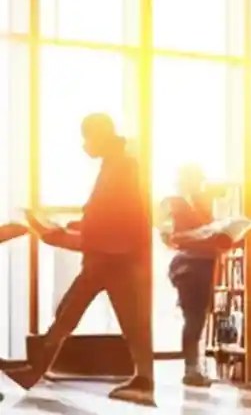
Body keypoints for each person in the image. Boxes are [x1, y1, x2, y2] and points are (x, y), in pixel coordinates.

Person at [5, 114, 154, 404]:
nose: (85, 145)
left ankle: (35, 371)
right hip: (110, 256)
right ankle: (142, 377)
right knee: (90, 315)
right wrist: (75, 227)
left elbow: (118, 217)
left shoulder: (122, 167)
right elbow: (104, 213)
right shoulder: (118, 164)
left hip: (110, 257)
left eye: (87, 138)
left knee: (76, 313)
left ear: (101, 135)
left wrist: (66, 235)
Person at [158, 164, 225, 388]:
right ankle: (191, 369)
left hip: (207, 263)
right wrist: (197, 236)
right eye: (194, 180)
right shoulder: (171, 203)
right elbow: (168, 236)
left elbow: (213, 230)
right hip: (188, 265)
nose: (198, 185)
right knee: (193, 317)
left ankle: (198, 367)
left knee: (201, 316)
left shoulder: (203, 204)